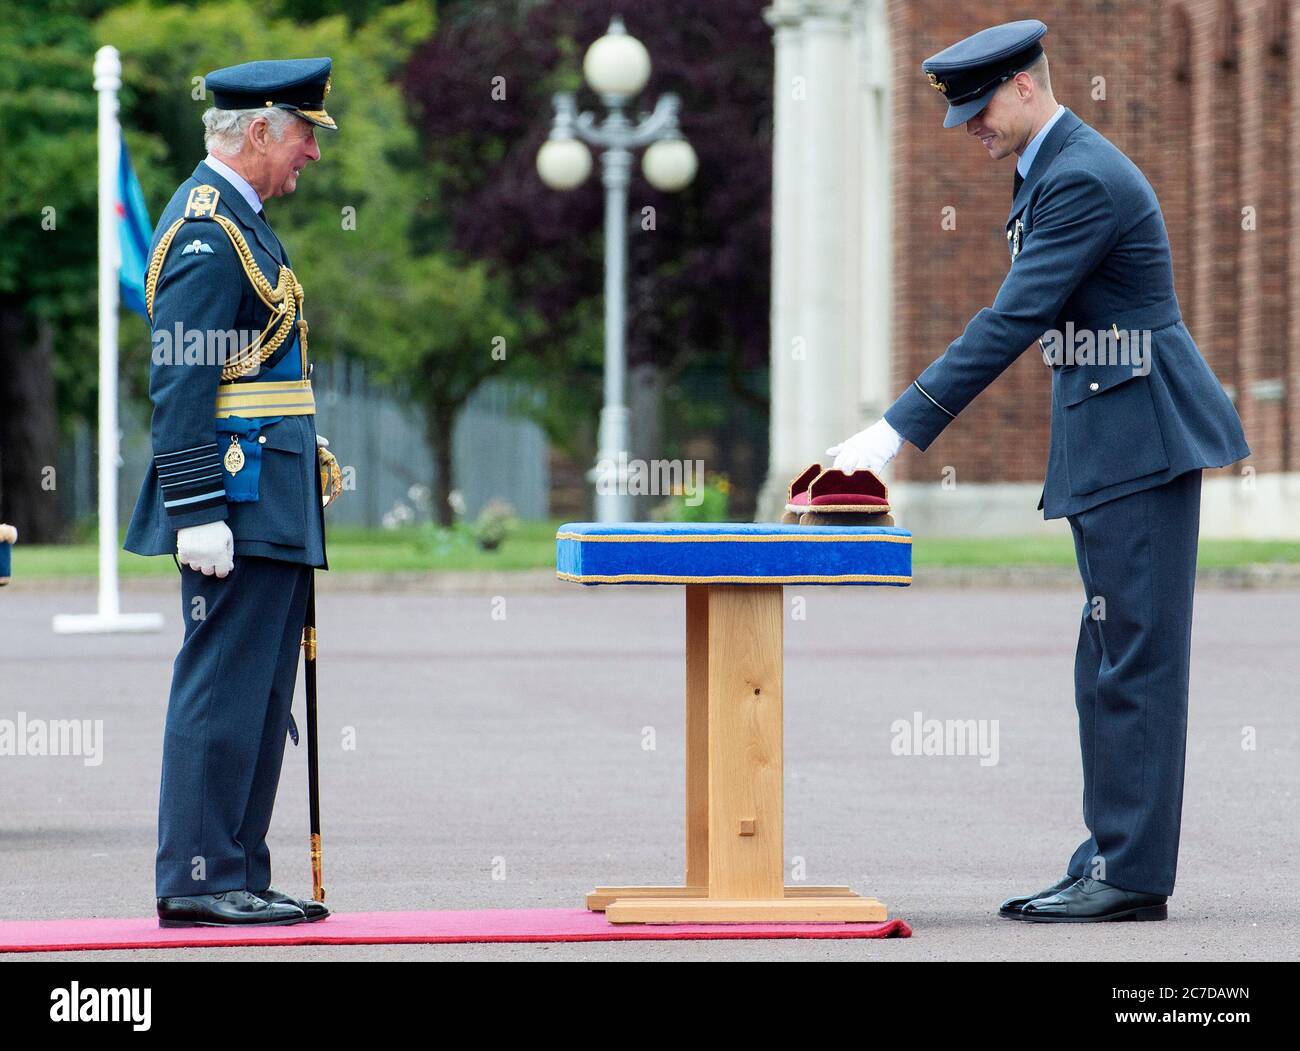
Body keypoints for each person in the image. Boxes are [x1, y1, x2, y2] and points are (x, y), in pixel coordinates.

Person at [828, 20, 1250, 922]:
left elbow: (1011, 319)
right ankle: (1109, 850)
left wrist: (896, 430)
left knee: (1134, 660)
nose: (971, 127)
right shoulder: (1052, 170)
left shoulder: (1082, 180)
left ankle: (1132, 874)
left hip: (1142, 439)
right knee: (1106, 658)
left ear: (1025, 85)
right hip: (1114, 436)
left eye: (980, 108)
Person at [124, 57, 341, 927]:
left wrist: (297, 439)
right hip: (231, 498)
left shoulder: (244, 224)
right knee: (222, 685)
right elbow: (179, 382)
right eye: (302, 136)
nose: (310, 157)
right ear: (258, 131)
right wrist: (196, 509)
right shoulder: (210, 233)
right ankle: (198, 874)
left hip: (267, 489)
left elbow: (251, 368)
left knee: (259, 689)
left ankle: (238, 867)